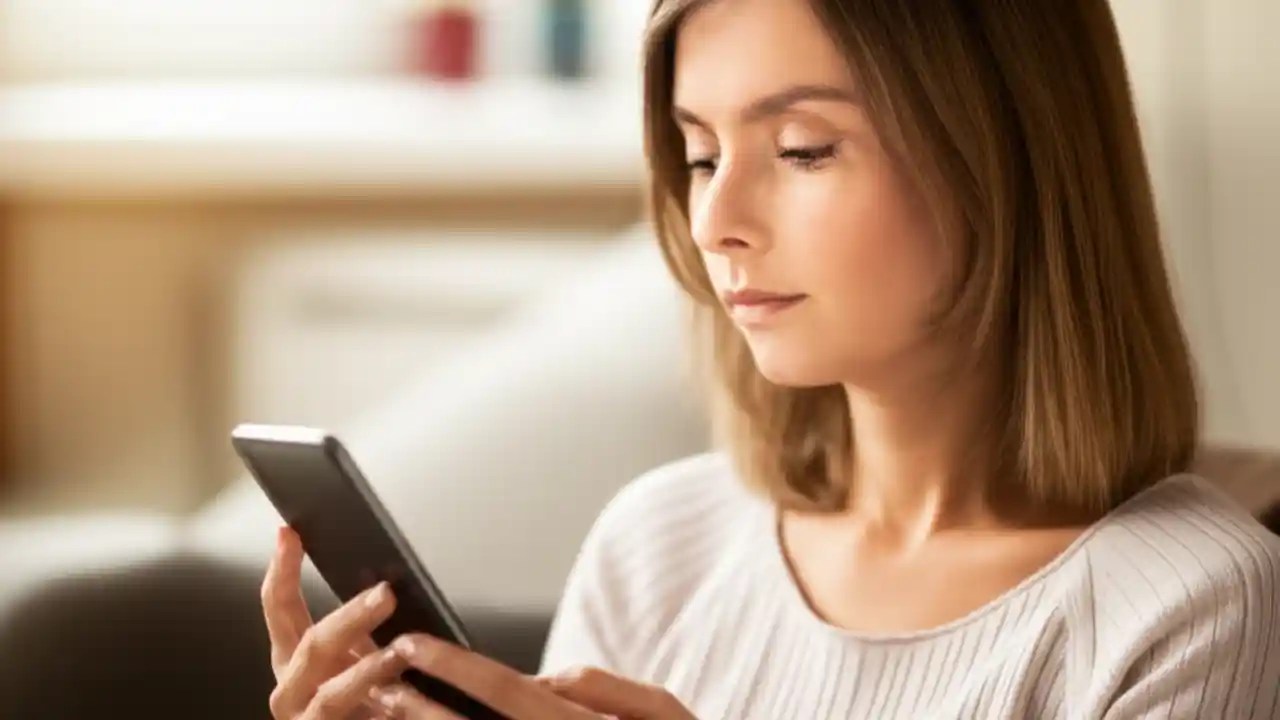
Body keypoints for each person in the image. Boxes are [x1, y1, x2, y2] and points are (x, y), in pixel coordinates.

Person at [259, 0, 1280, 717]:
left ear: (1005, 156)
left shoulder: (1186, 608)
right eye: (699, 155)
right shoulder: (657, 547)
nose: (715, 218)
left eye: (799, 149)